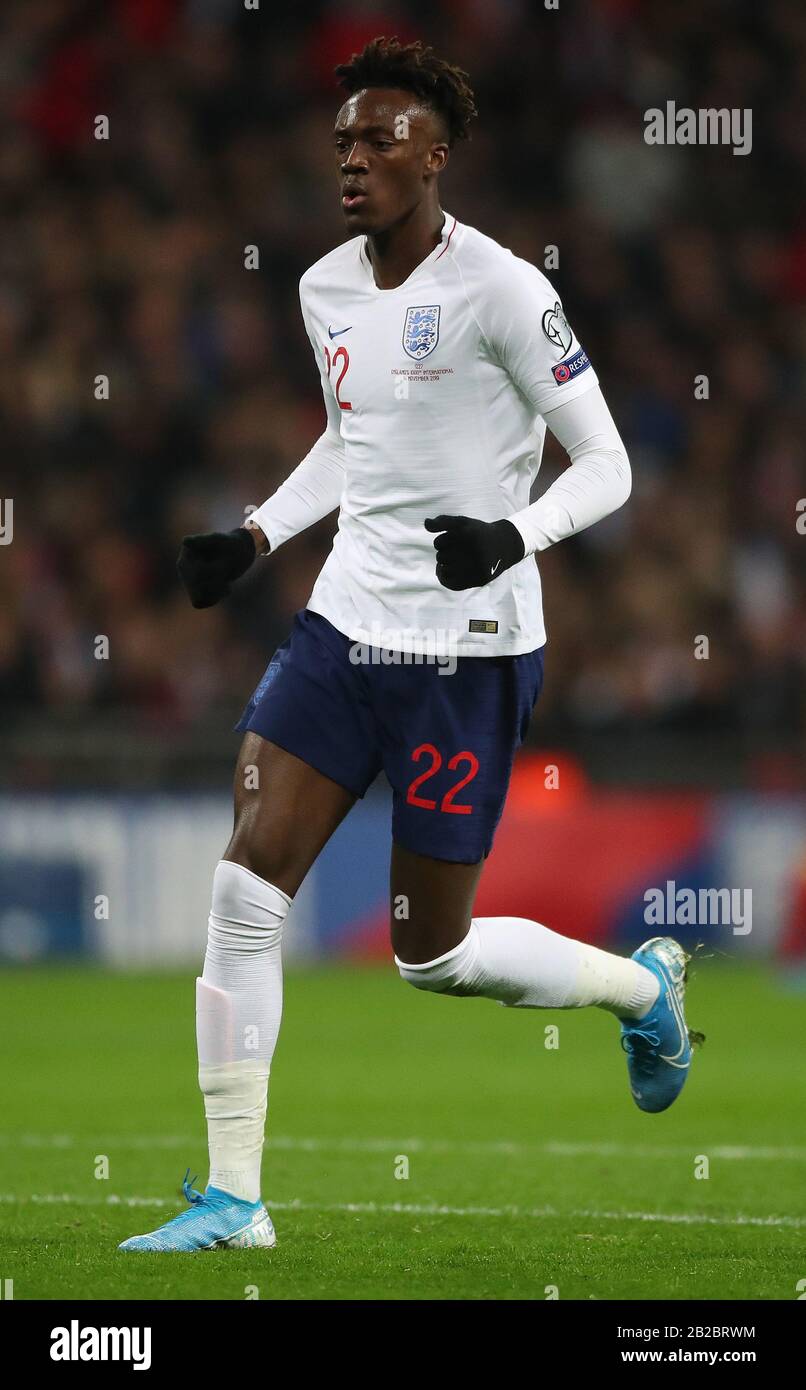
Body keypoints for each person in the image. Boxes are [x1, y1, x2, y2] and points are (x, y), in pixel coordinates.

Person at [119, 37, 699, 1254]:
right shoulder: (323, 286)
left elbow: (607, 462)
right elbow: (352, 436)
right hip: (341, 623)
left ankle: (643, 990)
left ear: (434, 155)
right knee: (242, 887)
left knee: (428, 957)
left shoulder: (503, 291)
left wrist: (514, 536)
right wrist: (258, 531)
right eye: (341, 141)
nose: (353, 158)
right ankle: (236, 1200)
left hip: (468, 651)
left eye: (379, 139)